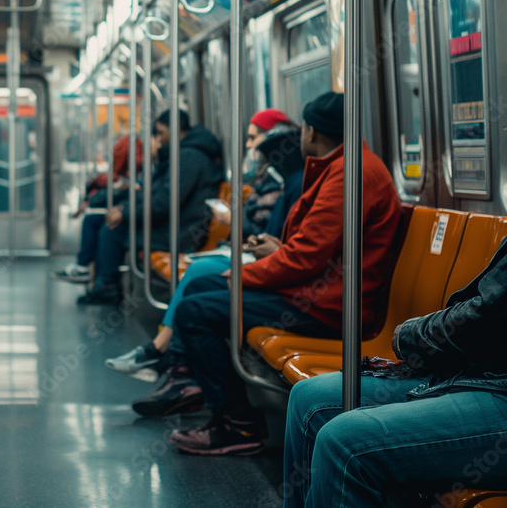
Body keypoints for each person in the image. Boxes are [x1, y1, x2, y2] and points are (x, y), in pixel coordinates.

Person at [162, 92, 402, 455]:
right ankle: (200, 390)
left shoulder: (349, 173)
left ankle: (237, 424)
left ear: (311, 131)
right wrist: (270, 257)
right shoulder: (346, 167)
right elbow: (314, 250)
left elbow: (305, 258)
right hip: (315, 291)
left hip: (328, 306)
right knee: (201, 287)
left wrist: (246, 276)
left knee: (194, 311)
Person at [283, 238, 507, 507]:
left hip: (495, 387)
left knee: (343, 442)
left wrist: (409, 334)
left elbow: (483, 319)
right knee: (309, 398)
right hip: (478, 370)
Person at [106, 120, 305, 388]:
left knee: (198, 278)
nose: (252, 148)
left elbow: (274, 237)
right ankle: (172, 362)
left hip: (267, 261)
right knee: (198, 276)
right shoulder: (277, 182)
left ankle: (168, 359)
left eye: (255, 139)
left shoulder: (291, 184)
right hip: (254, 251)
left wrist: (235, 223)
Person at [78, 109, 224, 305]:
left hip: (183, 232)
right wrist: (124, 210)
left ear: (176, 129)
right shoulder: (183, 155)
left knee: (114, 230)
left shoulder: (189, 158)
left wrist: (125, 213)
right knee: (104, 221)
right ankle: (102, 282)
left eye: (161, 133)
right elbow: (156, 195)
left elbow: (164, 202)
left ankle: (107, 287)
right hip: (177, 223)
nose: (159, 139)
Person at [54, 134, 143, 284]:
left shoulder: (131, 177)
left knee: (95, 221)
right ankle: (88, 269)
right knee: (94, 219)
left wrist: (121, 208)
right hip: (129, 211)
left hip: (135, 217)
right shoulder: (130, 175)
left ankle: (91, 271)